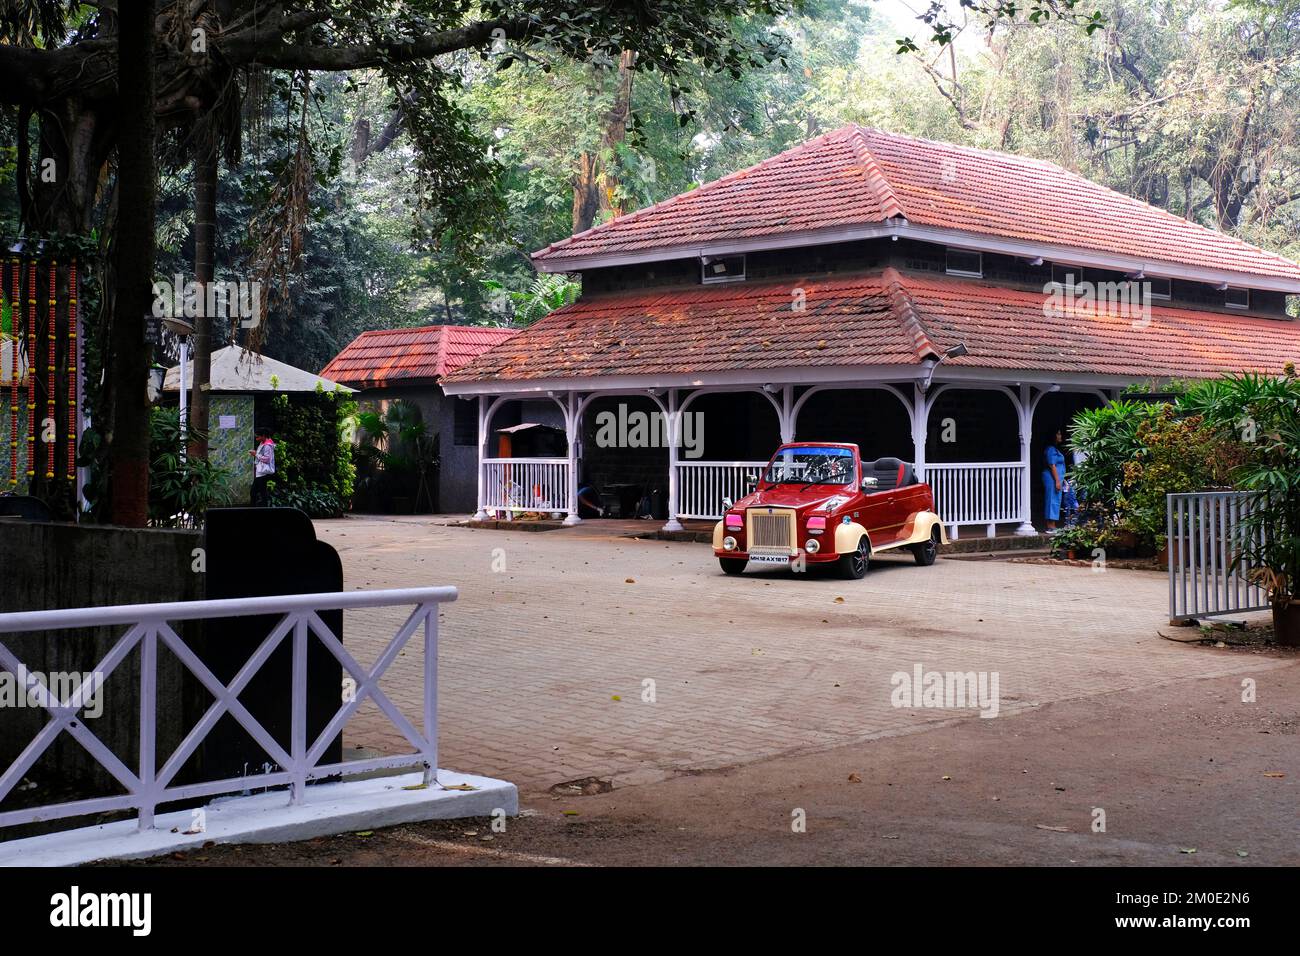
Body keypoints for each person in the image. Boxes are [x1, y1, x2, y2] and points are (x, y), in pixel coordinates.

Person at [1042, 428, 1066, 531]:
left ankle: (1053, 525)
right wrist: (1057, 481)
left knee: (1056, 500)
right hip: (1052, 478)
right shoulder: (1051, 449)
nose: (1060, 436)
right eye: (1058, 434)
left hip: (1057, 478)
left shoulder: (1055, 449)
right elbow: (1052, 465)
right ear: (1054, 436)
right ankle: (1050, 526)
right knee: (1052, 499)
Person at [250, 432, 276, 506]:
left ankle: (255, 509)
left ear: (263, 435)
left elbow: (267, 459)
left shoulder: (267, 446)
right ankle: (263, 509)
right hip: (260, 472)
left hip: (263, 472)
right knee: (261, 492)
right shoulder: (262, 443)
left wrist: (256, 454)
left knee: (255, 492)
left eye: (258, 436)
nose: (256, 438)